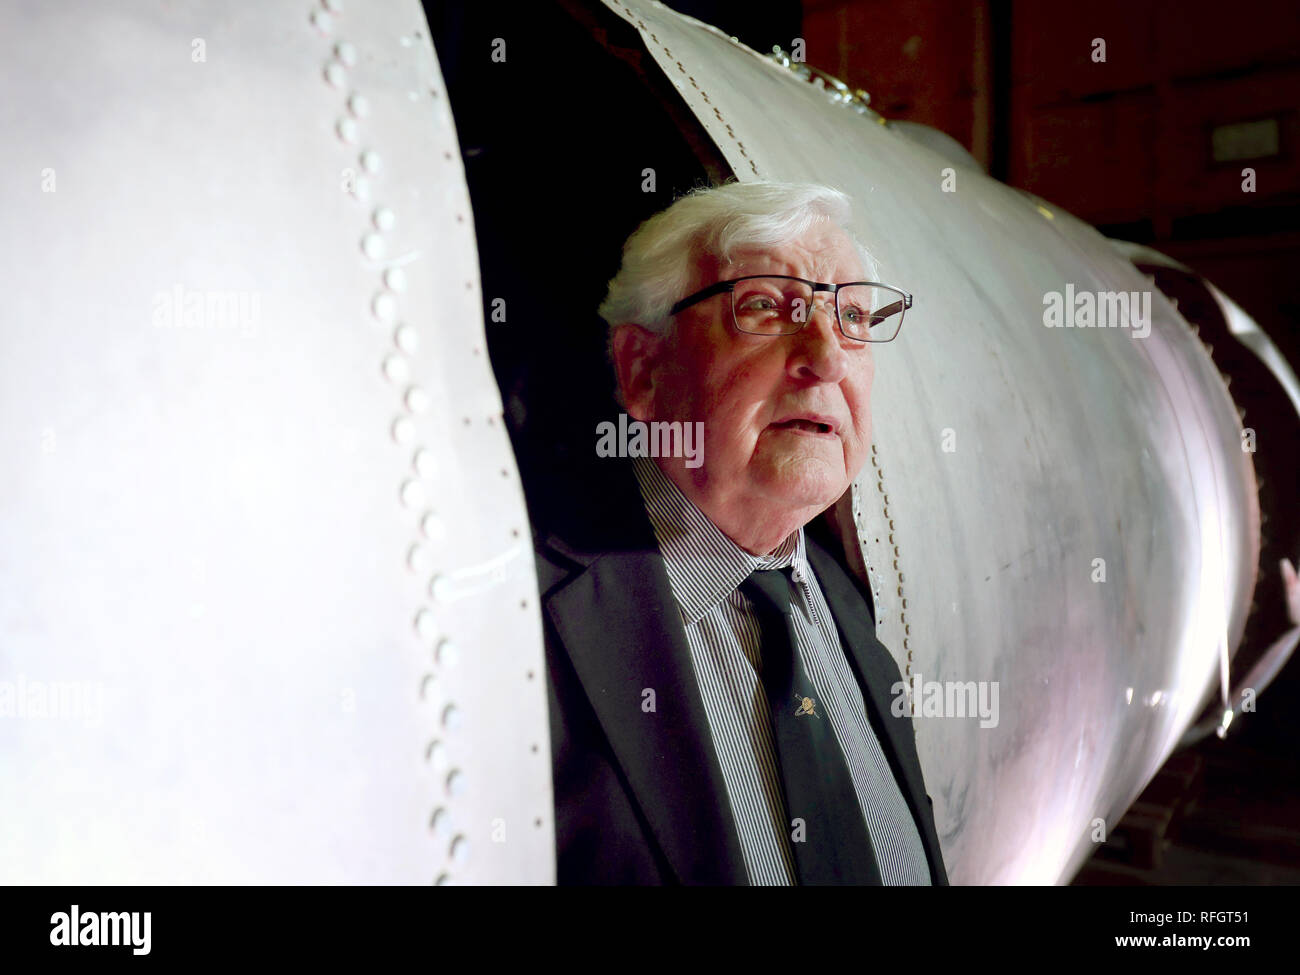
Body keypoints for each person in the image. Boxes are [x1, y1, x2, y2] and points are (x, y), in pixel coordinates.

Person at [533, 179, 947, 885]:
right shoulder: (521, 634)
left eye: (850, 314)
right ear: (643, 370)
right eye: (763, 305)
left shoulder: (844, 604)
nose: (827, 355)